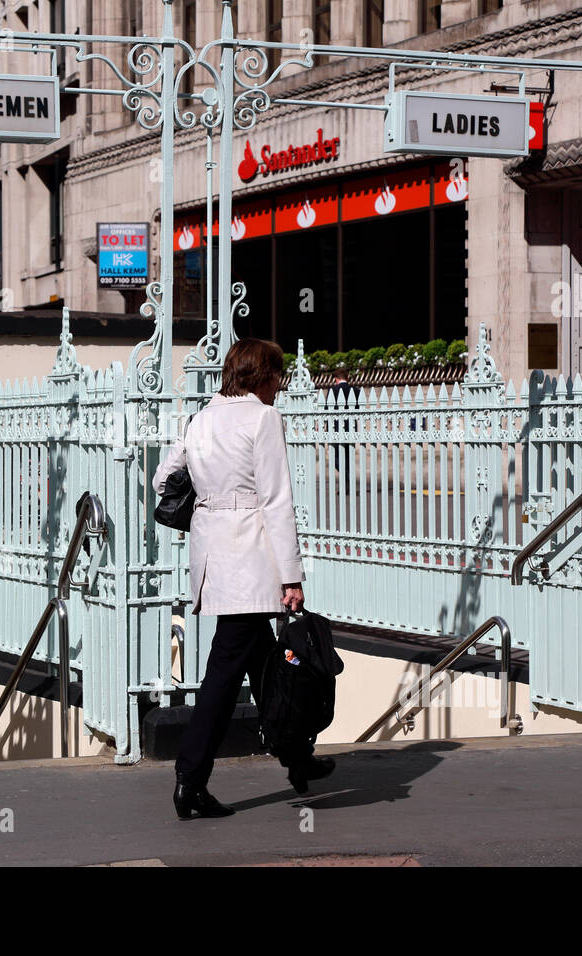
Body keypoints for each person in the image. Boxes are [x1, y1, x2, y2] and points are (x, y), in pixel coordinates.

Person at [154, 338, 335, 820]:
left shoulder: (201, 419)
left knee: (268, 668)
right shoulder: (263, 418)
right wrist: (291, 576)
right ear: (261, 376)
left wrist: (209, 498)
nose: (280, 385)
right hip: (251, 559)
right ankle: (189, 780)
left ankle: (298, 761)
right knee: (222, 677)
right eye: (277, 375)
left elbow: (163, 480)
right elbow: (276, 501)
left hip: (213, 558)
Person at [329, 363, 356, 491]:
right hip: (351, 428)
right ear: (348, 377)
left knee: (336, 458)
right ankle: (347, 482)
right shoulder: (355, 391)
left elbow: (327, 411)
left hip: (336, 429)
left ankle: (346, 479)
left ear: (336, 379)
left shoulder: (333, 391)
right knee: (348, 457)